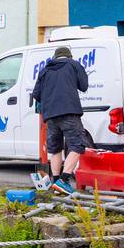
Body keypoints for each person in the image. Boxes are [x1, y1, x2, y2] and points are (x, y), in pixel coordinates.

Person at [28, 45, 89, 194]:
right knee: (77, 145)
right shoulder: (74, 65)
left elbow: (36, 94)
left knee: (55, 148)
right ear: (69, 56)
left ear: (55, 57)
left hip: (50, 115)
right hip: (69, 112)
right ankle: (63, 180)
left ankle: (55, 183)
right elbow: (84, 86)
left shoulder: (45, 69)